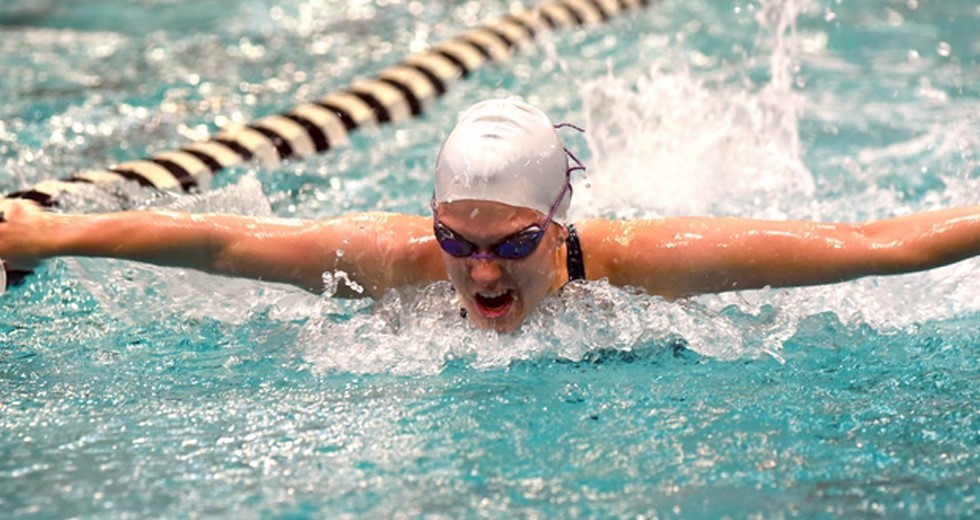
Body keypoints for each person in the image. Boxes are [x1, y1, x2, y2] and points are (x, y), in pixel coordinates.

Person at [0, 99, 978, 332]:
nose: (477, 276)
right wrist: (41, 232)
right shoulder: (393, 259)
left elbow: (869, 246)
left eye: (511, 245)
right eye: (454, 242)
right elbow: (220, 238)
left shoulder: (648, 266)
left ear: (558, 224)